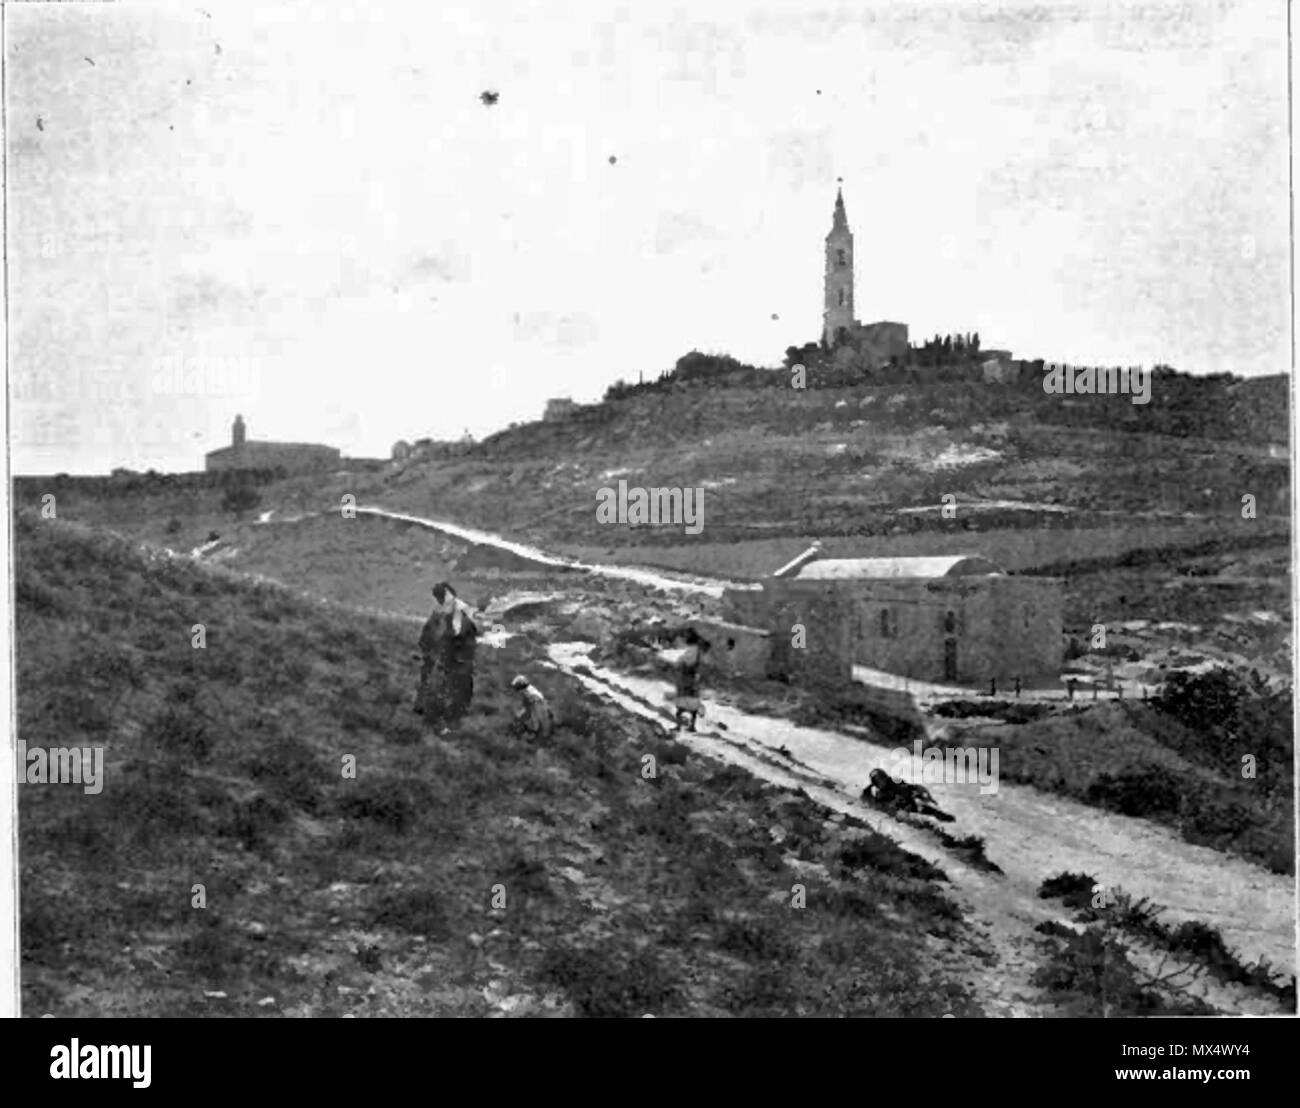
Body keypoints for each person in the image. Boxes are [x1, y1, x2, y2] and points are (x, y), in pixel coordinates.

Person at [415, 581, 479, 731]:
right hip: (443, 654)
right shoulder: (441, 610)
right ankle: (427, 707)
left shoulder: (460, 610)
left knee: (453, 683)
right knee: (435, 679)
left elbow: (461, 632)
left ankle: (450, 712)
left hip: (456, 654)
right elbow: (431, 631)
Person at [672, 628, 711, 733]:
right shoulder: (694, 649)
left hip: (688, 677)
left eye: (685, 636)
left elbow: (688, 662)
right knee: (688, 701)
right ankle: (687, 725)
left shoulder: (694, 649)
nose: (684, 639)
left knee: (685, 702)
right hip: (689, 678)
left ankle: (683, 725)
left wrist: (679, 663)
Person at [511, 675, 555, 742]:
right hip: (535, 704)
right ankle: (533, 731)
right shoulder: (527, 690)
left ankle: (541, 736)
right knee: (529, 717)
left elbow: (536, 701)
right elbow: (528, 702)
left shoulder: (530, 693)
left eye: (517, 687)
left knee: (538, 720)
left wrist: (547, 709)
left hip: (537, 704)